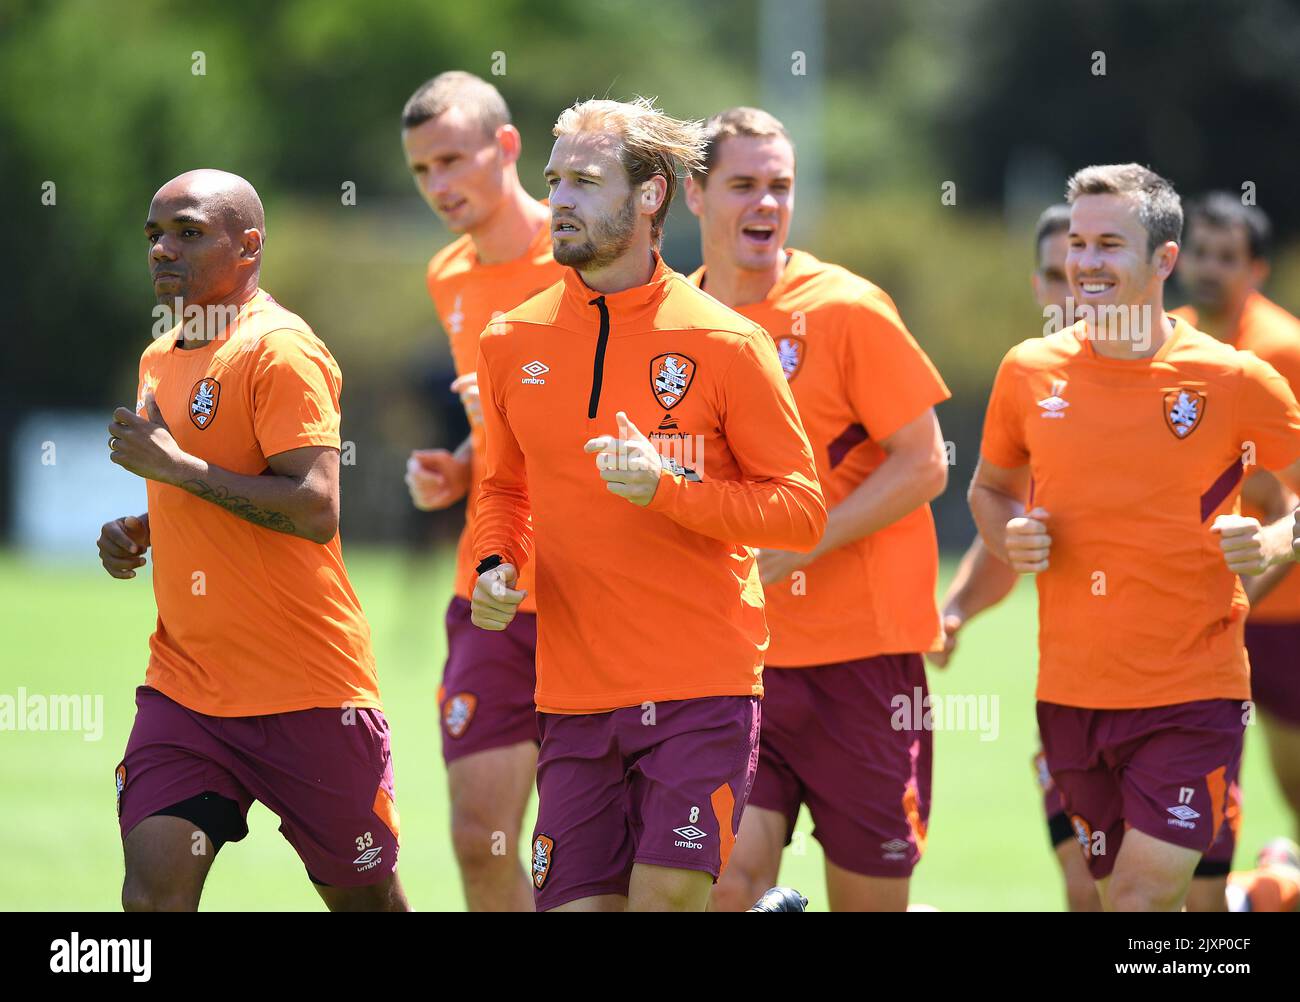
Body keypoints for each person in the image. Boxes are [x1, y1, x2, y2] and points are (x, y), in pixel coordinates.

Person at [470, 97, 826, 912]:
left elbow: (800, 509)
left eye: (586, 182)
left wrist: (671, 493)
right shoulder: (509, 340)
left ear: (652, 195)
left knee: (664, 903)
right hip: (571, 697)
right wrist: (498, 564)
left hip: (701, 689)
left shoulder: (728, 342)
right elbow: (505, 487)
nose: (559, 199)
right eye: (554, 178)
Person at [970, 163, 1300, 911]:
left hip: (1194, 695)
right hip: (1071, 699)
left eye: (1109, 244)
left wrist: (1279, 543)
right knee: (1109, 897)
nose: (1085, 263)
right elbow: (987, 489)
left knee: (1140, 900)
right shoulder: (1028, 370)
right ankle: (1271, 897)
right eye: (1078, 243)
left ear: (1163, 260)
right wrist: (1007, 534)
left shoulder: (1234, 378)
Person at [100, 169, 407, 911]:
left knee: (364, 904)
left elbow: (314, 508)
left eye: (188, 232)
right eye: (154, 235)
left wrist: (182, 470)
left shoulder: (280, 350)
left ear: (248, 246)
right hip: (188, 689)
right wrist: (143, 525)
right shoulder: (161, 355)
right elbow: (202, 487)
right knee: (152, 896)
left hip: (308, 692)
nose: (163, 249)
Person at [682, 107, 950, 911]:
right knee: (723, 881)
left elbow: (926, 461)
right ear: (693, 195)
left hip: (859, 668)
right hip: (731, 666)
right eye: (743, 186)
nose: (765, 204)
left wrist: (806, 543)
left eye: (780, 187)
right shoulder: (669, 321)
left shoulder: (846, 310)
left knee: (870, 899)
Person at [400, 70, 564, 911]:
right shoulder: (448, 276)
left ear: (507, 147)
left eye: (453, 160)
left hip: (591, 589)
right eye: (422, 170)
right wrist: (464, 466)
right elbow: (495, 419)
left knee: (589, 852)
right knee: (479, 838)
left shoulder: (585, 259)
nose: (439, 186)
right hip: (492, 585)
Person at [1175, 193, 1300, 852]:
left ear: (1257, 269)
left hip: (1283, 610)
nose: (1210, 268)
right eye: (1200, 252)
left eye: (1228, 257)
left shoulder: (1284, 349)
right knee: (1194, 787)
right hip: (1189, 606)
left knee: (1292, 780)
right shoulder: (1164, 340)